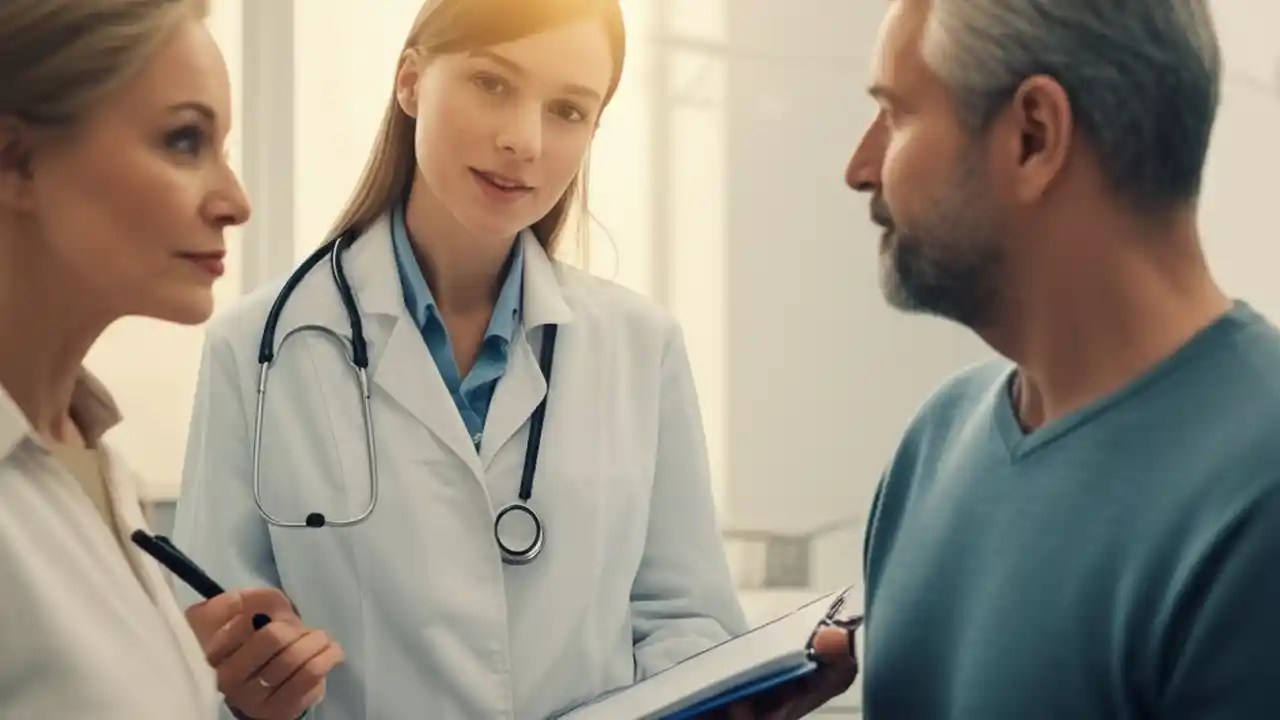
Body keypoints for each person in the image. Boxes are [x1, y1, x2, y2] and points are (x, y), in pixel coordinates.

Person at [171, 0, 757, 717]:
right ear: (411, 82)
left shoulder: (640, 346)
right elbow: (211, 648)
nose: (523, 140)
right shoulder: (257, 346)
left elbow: (689, 621)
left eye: (568, 111)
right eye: (492, 84)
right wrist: (252, 689)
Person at [847, 0, 1280, 717]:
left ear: (1033, 136)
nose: (860, 169)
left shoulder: (1261, 495)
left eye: (897, 115)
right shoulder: (935, 444)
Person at [0, 1, 340, 718]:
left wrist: (187, 679)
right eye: (185, 140)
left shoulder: (93, 462)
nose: (236, 202)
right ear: (16, 161)